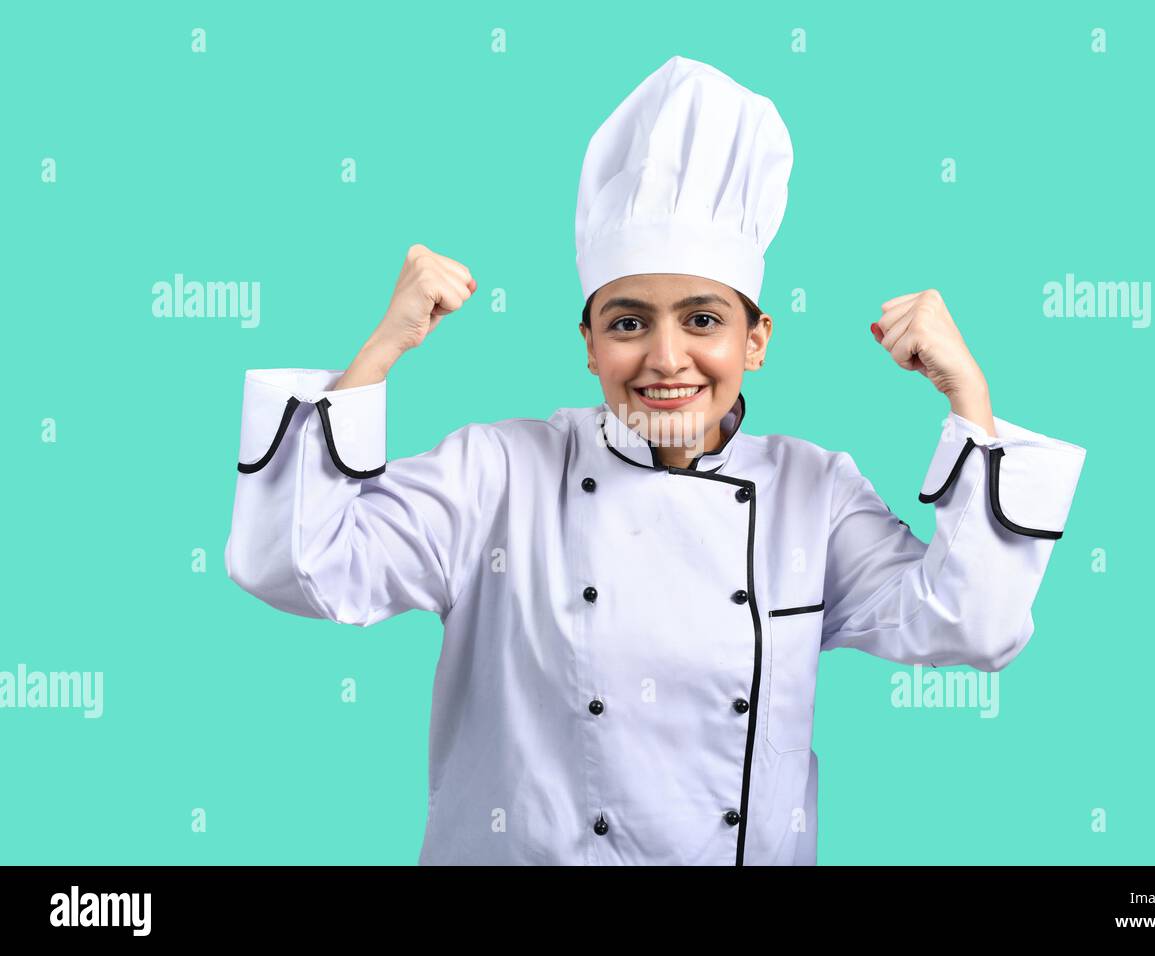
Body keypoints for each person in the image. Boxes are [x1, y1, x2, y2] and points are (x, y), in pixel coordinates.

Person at [225, 55, 1086, 865]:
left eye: (703, 321)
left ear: (757, 341)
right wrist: (379, 354)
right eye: (629, 322)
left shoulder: (813, 493)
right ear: (589, 345)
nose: (666, 358)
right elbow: (296, 566)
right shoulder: (498, 475)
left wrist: (969, 402)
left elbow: (972, 628)